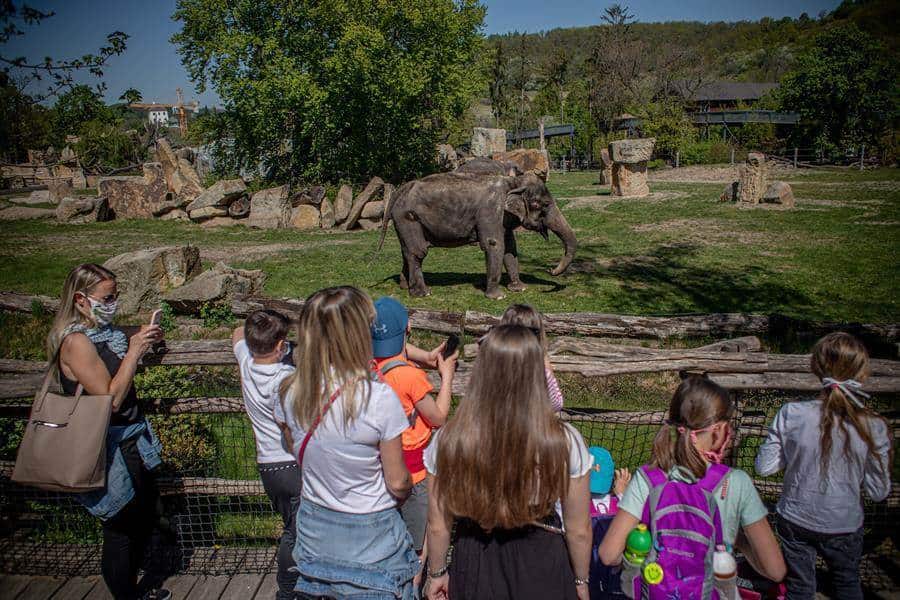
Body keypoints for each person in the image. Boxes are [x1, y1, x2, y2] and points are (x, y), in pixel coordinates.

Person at [424, 324, 593, 600]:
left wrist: (437, 572)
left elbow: (438, 524)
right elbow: (579, 529)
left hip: (476, 556)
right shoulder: (565, 441)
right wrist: (581, 579)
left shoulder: (449, 439)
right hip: (541, 560)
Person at [275, 286, 419, 599]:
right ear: (357, 333)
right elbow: (396, 481)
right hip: (371, 534)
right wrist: (408, 488)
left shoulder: (291, 391)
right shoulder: (377, 398)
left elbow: (293, 447)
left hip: (314, 526)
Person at [598, 376, 786, 595]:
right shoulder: (736, 482)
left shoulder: (647, 478)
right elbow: (775, 570)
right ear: (718, 430)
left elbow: (608, 554)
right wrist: (739, 542)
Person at [48, 263, 168, 600]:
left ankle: (134, 591)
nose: (113, 302)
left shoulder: (109, 334)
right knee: (120, 528)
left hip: (131, 438)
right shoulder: (75, 342)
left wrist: (141, 341)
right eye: (107, 297)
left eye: (115, 295)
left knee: (142, 518)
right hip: (107, 446)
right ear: (81, 300)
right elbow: (110, 400)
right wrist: (133, 352)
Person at [755, 332, 892, 600]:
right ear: (862, 373)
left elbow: (764, 466)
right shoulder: (873, 427)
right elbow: (879, 491)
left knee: (799, 589)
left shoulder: (791, 414)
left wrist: (793, 453)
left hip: (795, 517)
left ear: (815, 367)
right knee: (847, 585)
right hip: (844, 521)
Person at [370, 296, 458, 586]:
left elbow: (397, 348)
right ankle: (413, 586)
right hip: (416, 474)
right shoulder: (411, 378)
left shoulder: (370, 367)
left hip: (383, 467)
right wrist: (446, 376)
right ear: (408, 328)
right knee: (417, 543)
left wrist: (427, 356)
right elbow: (438, 417)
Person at [232, 310, 299, 600]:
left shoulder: (246, 363)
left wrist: (253, 334)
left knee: (290, 527)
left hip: (267, 464)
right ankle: (288, 591)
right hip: (290, 463)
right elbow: (289, 430)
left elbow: (236, 333)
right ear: (280, 346)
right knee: (297, 532)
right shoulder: (285, 378)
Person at [499, 304, 564, 411]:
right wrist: (544, 361)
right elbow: (556, 404)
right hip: (532, 425)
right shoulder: (540, 371)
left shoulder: (491, 365)